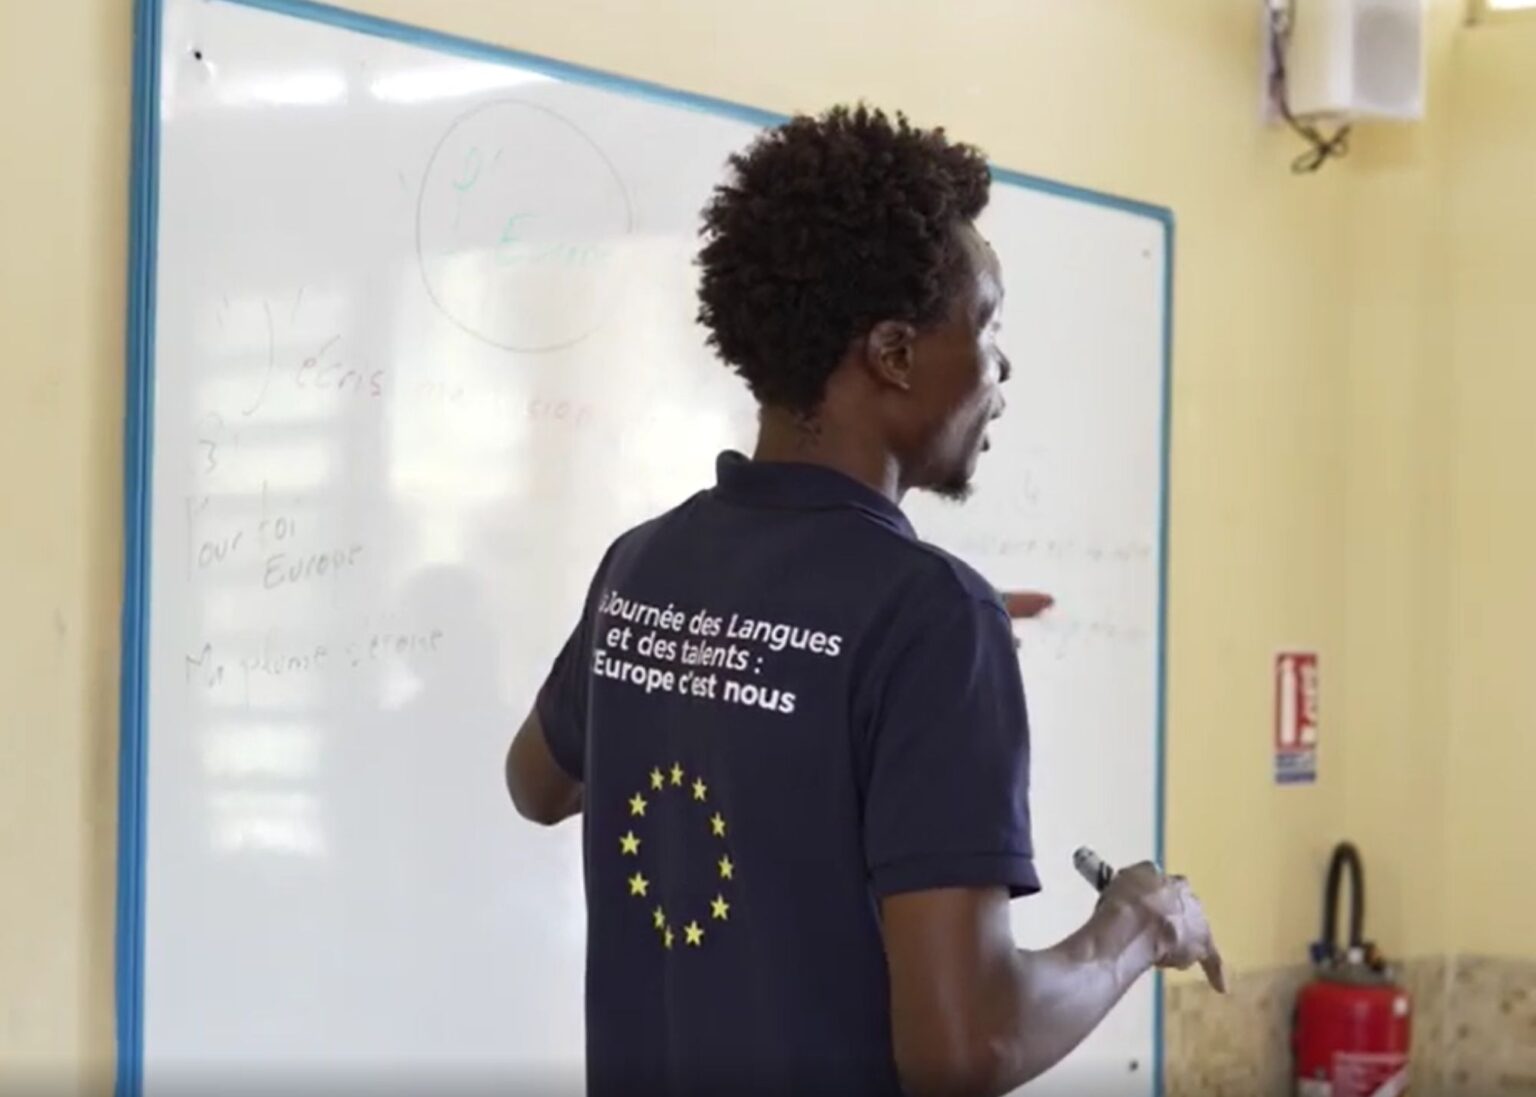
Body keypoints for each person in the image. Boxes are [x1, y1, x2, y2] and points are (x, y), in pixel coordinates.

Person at [506, 105, 1223, 1097]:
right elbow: (963, 1047)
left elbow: (537, 783)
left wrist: (801, 707)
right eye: (988, 325)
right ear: (893, 352)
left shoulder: (643, 565)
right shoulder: (932, 618)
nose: (1001, 367)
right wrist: (1137, 923)